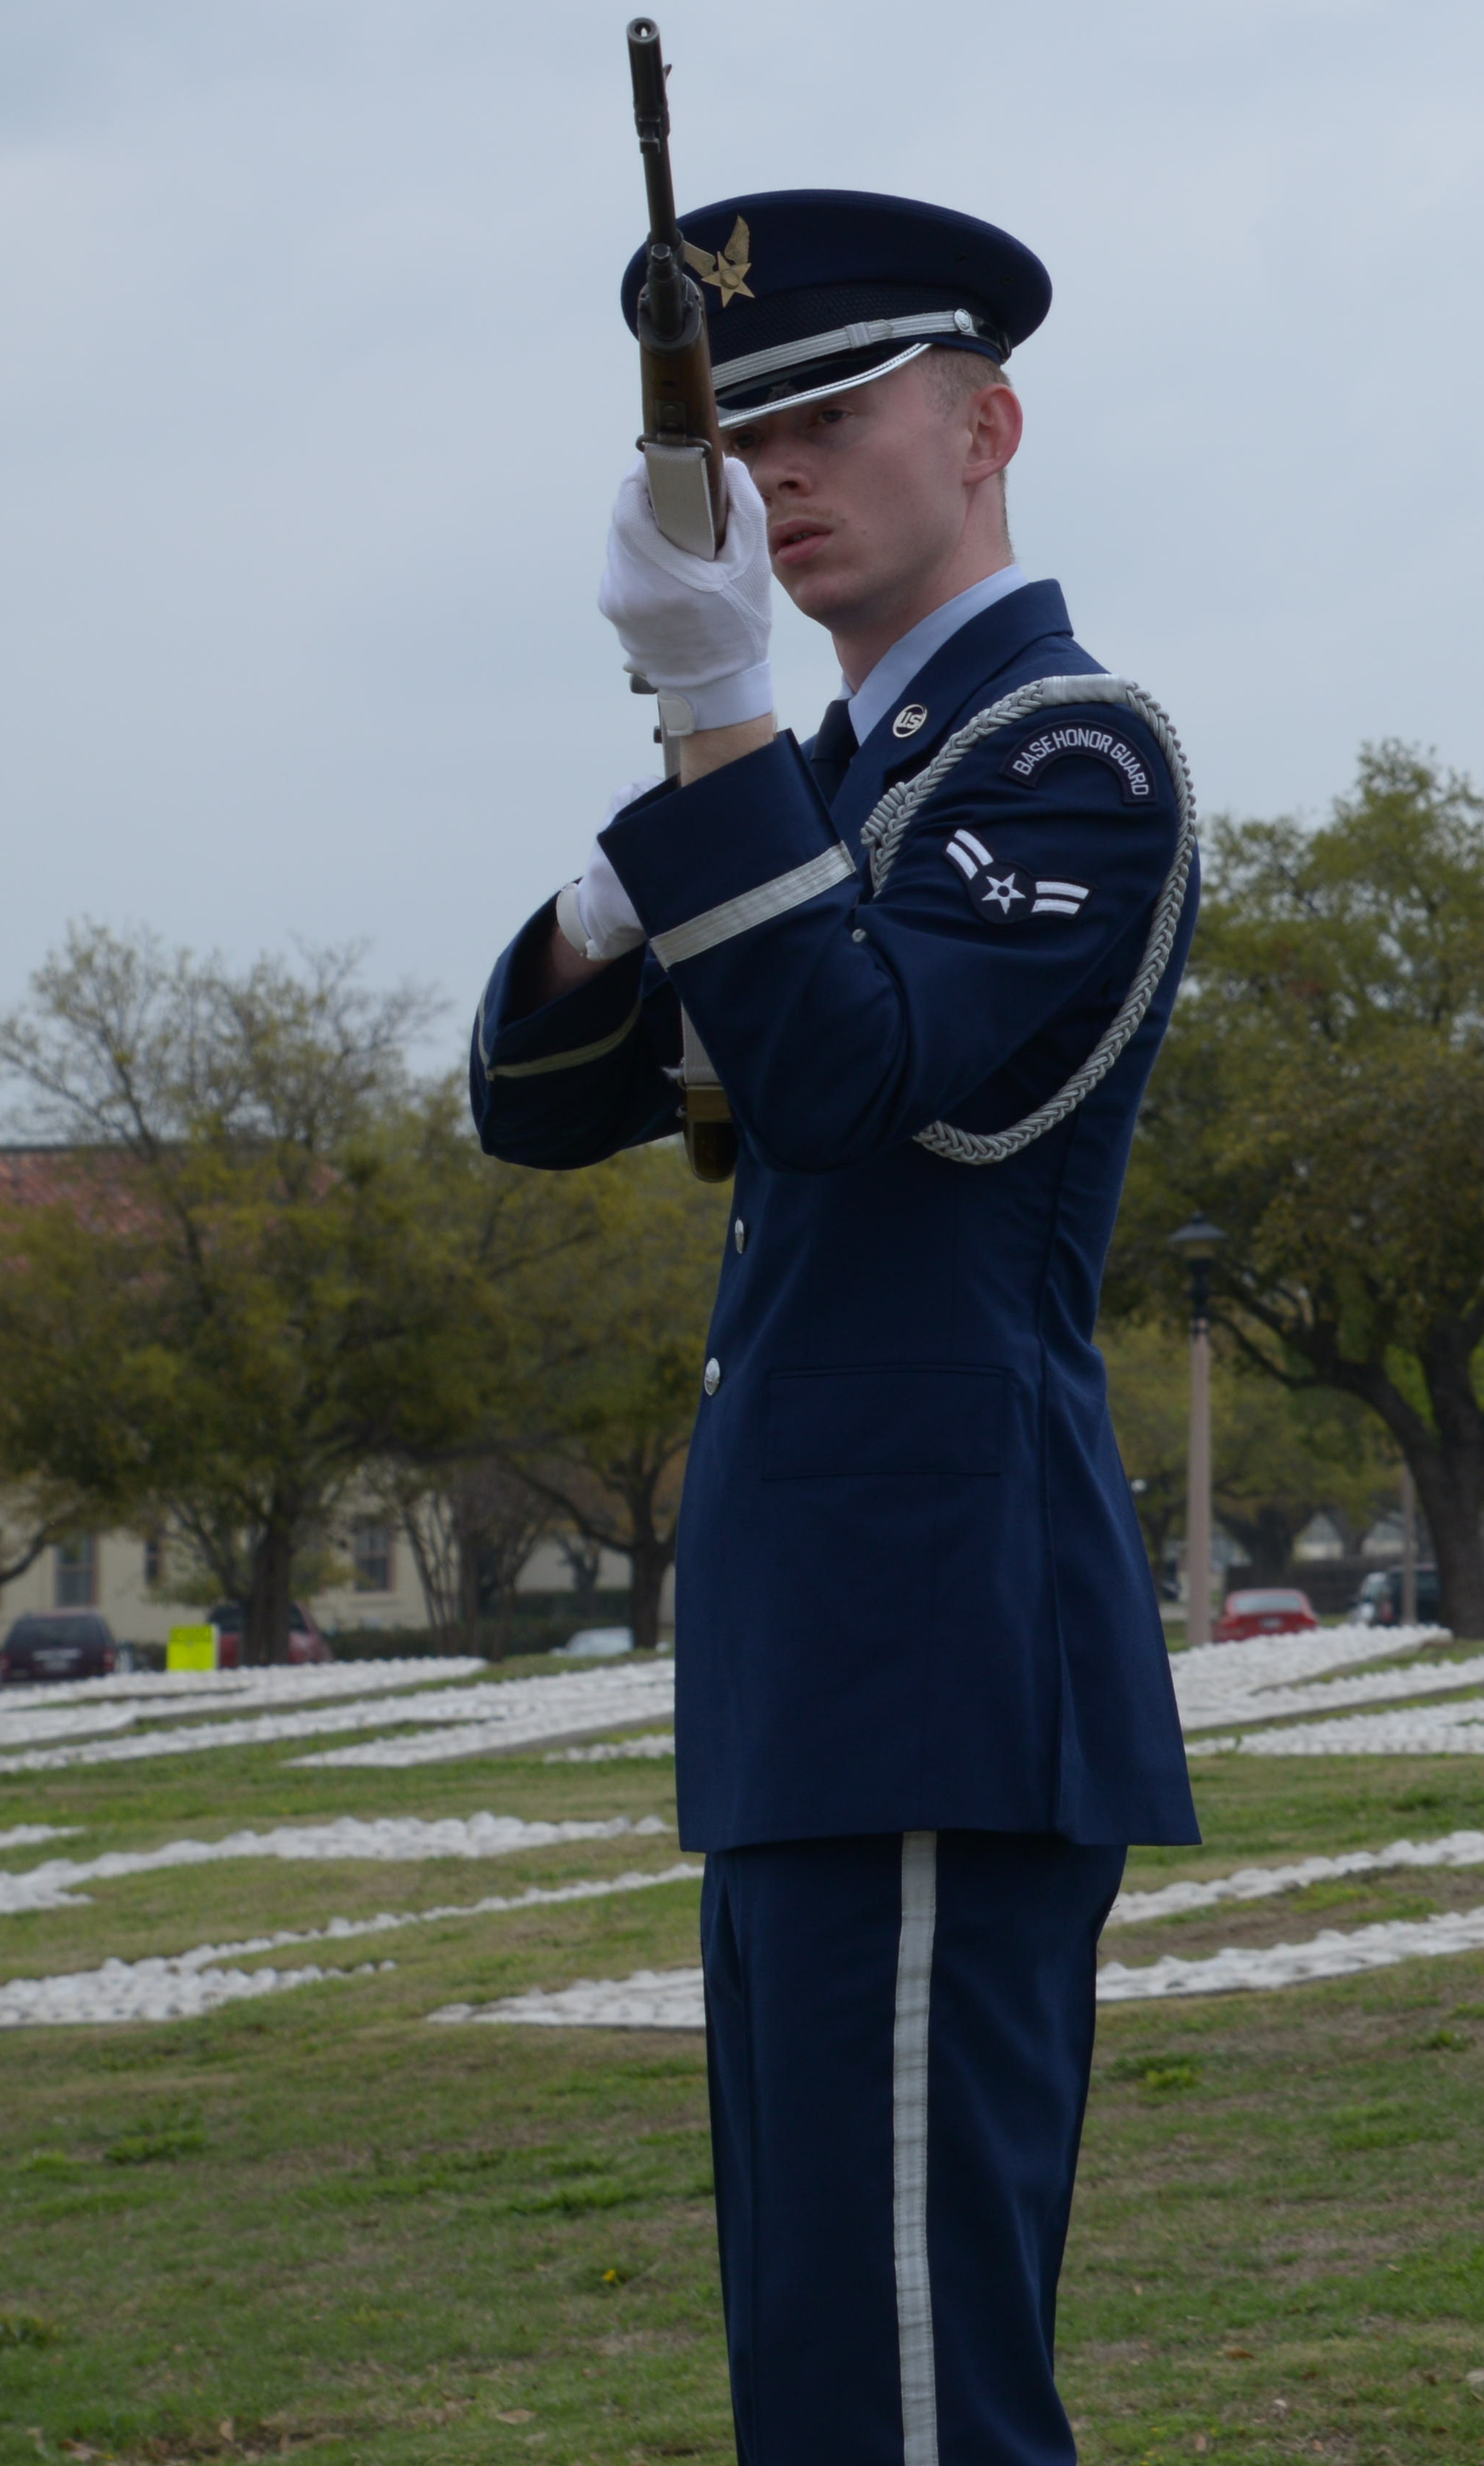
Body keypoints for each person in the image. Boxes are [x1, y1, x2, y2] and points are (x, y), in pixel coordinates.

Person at [472, 189, 1199, 2466]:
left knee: (907, 2369)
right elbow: (532, 1101)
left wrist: (715, 726)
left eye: (825, 412)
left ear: (986, 427)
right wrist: (649, 845)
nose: (769, 471)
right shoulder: (836, 785)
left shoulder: (1069, 754)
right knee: (817, 2347)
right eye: (730, 432)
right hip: (829, 1651)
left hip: (933, 1643)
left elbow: (848, 1075)